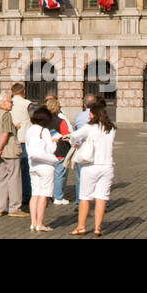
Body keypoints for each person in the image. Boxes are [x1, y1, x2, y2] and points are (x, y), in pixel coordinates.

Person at [67, 100, 116, 236]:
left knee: (84, 197)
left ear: (94, 114)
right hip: (107, 166)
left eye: (90, 114)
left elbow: (74, 136)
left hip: (91, 166)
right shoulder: (111, 128)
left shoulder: (89, 128)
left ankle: (81, 226)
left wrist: (76, 143)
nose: (89, 116)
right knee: (101, 198)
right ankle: (97, 228)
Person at [0, 93, 24, 216]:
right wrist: (0, 149)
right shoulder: (5, 114)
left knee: (1, 179)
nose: (12, 104)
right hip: (9, 151)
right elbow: (5, 133)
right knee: (14, 178)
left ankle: (0, 208)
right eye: (10, 102)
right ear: (3, 102)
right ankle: (14, 208)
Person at [24, 105, 59, 231]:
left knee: (35, 194)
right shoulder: (43, 131)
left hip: (33, 166)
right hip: (45, 166)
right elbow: (51, 149)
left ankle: (33, 222)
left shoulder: (29, 130)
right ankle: (40, 223)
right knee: (44, 195)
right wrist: (55, 141)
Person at [44, 94, 72, 205]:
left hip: (47, 150)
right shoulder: (61, 121)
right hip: (60, 150)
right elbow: (66, 136)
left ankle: (48, 195)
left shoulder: (43, 122)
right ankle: (58, 196)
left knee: (48, 174)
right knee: (60, 173)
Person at [71, 93, 97, 198]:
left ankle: (79, 201)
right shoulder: (100, 117)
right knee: (95, 177)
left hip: (82, 150)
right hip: (95, 151)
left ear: (84, 104)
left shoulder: (78, 116)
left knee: (80, 177)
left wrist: (75, 144)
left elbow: (75, 133)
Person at [9, 83, 33, 201]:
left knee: (11, 169)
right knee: (25, 169)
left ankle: (11, 194)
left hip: (10, 139)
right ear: (23, 92)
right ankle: (26, 194)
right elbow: (34, 119)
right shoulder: (27, 103)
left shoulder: (8, 102)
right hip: (24, 139)